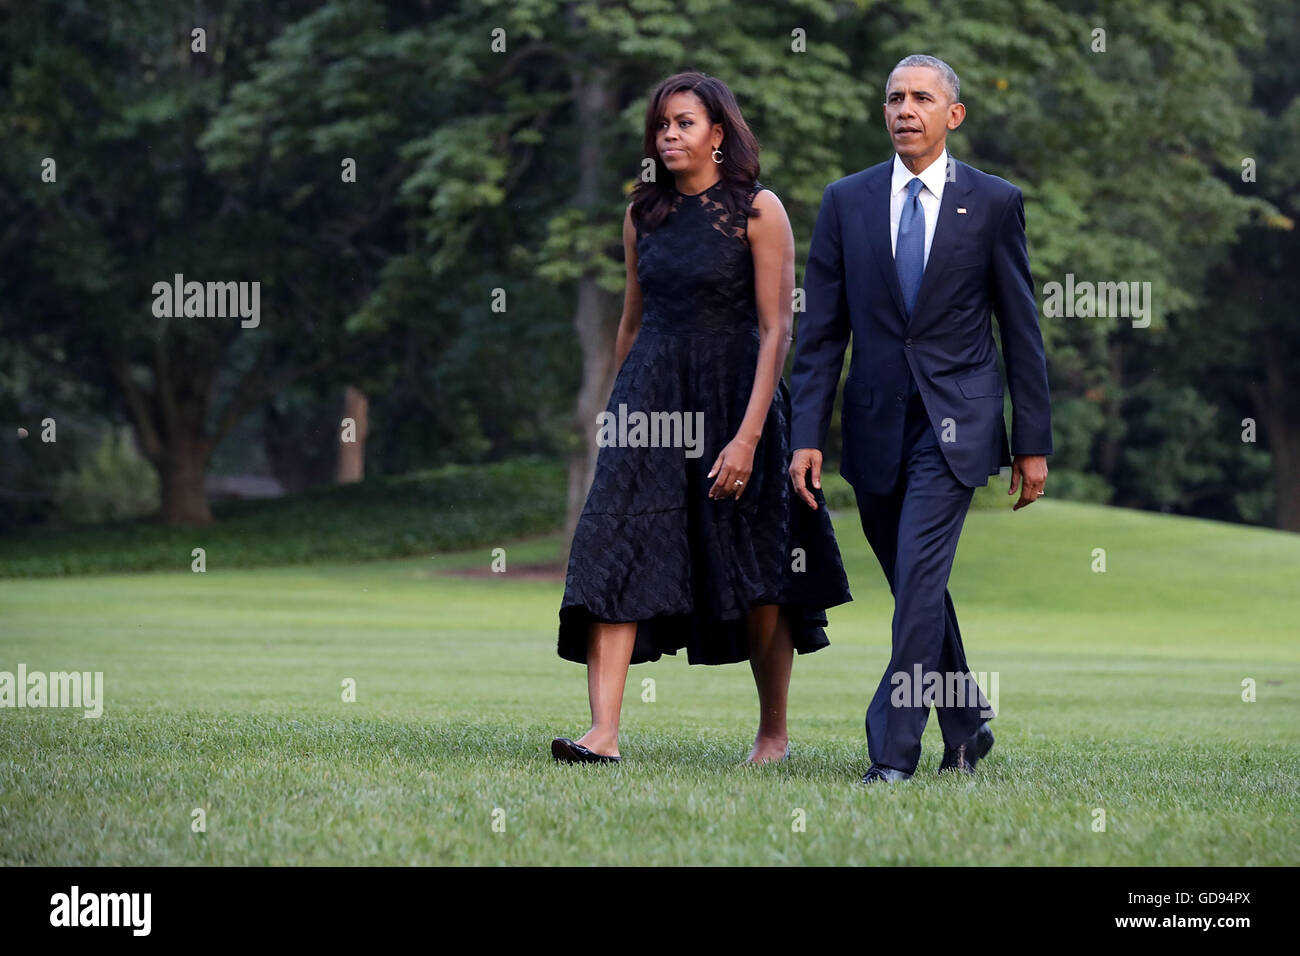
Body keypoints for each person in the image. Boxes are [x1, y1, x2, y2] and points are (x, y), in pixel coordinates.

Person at [553, 71, 852, 766]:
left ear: (718, 133)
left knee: (758, 569)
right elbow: (632, 319)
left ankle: (772, 734)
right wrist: (616, 417)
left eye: (683, 123)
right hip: (650, 397)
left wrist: (749, 437)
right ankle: (604, 734)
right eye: (661, 125)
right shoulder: (641, 213)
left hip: (734, 396)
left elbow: (778, 331)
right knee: (612, 544)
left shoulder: (757, 209)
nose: (668, 135)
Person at [789, 55, 1053, 784]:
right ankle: (966, 720)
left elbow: (1020, 328)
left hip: (957, 427)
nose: (906, 109)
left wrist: (1032, 443)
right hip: (873, 428)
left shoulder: (995, 202)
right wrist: (805, 433)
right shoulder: (846, 200)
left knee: (919, 576)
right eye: (895, 97)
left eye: (922, 99)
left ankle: (891, 754)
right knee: (917, 586)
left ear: (953, 115)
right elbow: (821, 336)